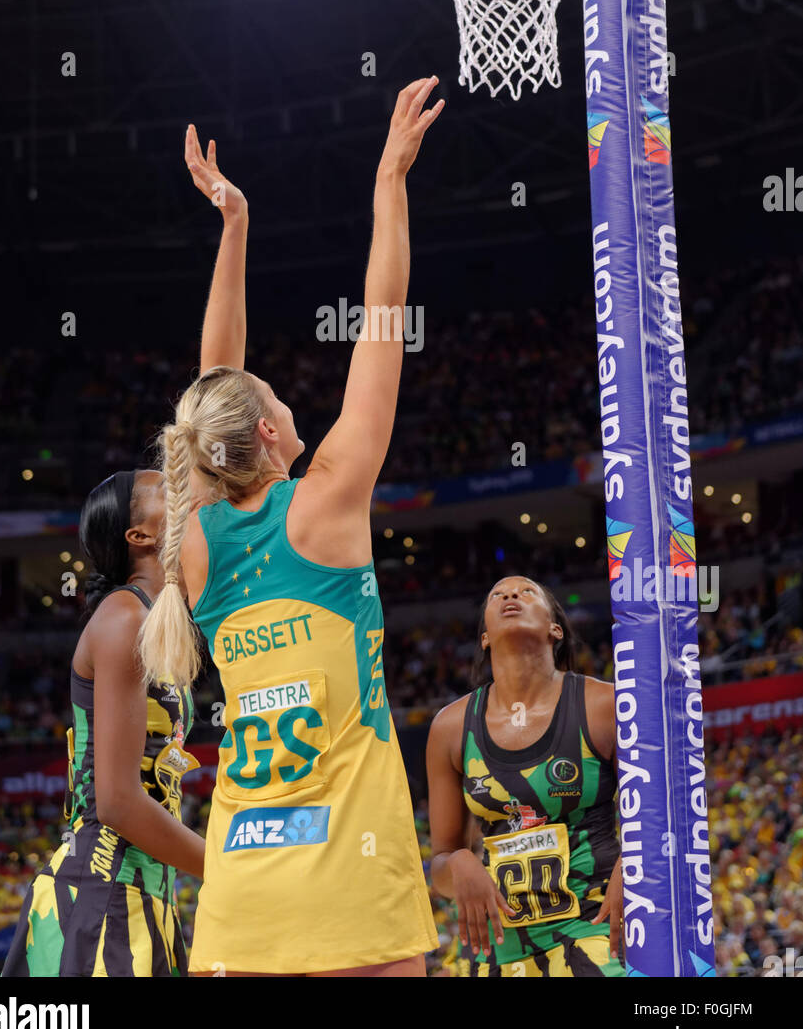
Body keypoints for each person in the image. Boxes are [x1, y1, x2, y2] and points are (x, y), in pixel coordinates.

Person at [138, 77, 445, 977]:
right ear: (269, 431)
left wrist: (234, 226)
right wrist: (389, 180)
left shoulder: (193, 543)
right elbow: (383, 316)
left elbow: (213, 391)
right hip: (350, 873)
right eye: (274, 395)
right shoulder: (327, 500)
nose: (279, 391)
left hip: (243, 889)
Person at [2, 125, 247, 977]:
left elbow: (216, 389)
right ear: (141, 534)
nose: (180, 492)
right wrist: (229, 870)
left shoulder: (164, 610)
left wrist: (234, 228)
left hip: (146, 899)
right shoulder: (118, 616)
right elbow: (113, 798)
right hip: (99, 898)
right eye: (161, 491)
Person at [426, 575, 625, 977]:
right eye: (497, 594)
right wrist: (460, 864)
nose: (510, 595)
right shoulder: (450, 727)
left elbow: (665, 813)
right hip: (499, 948)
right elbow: (441, 866)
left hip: (596, 927)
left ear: (555, 628)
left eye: (526, 591)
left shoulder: (606, 704)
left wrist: (636, 867)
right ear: (484, 638)